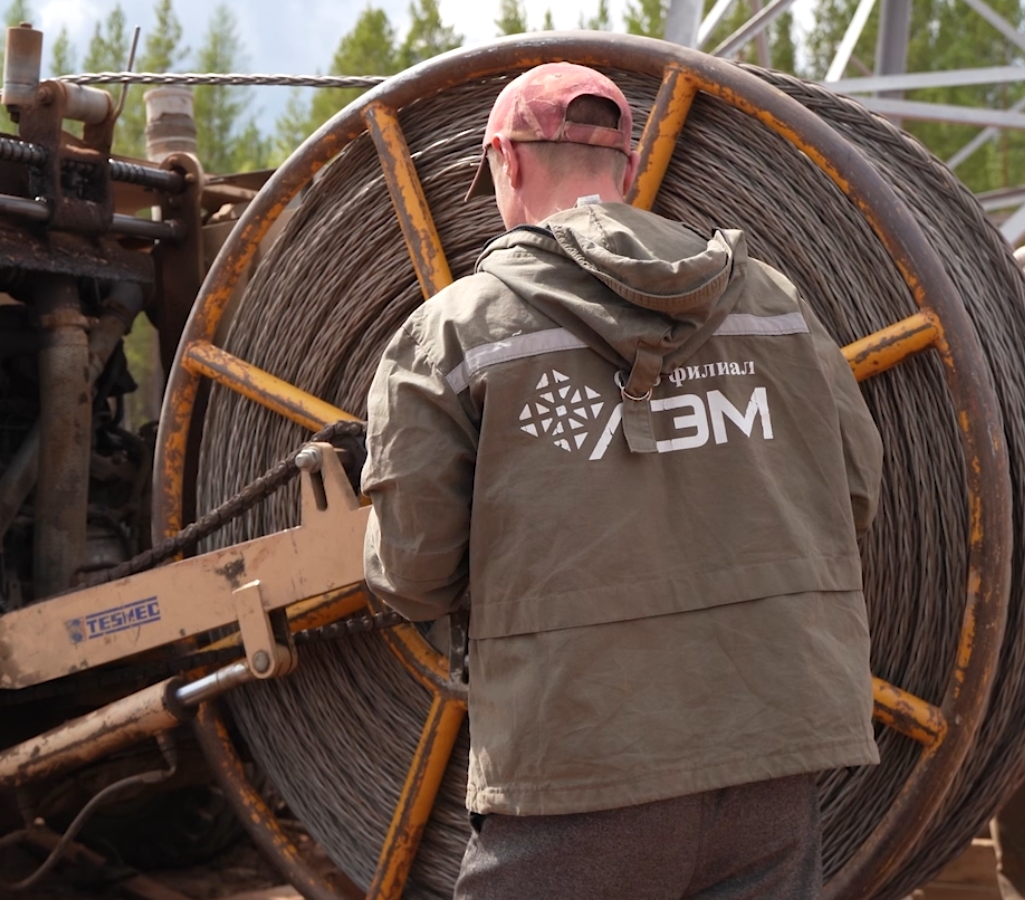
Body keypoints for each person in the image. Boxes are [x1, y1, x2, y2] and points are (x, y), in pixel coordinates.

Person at [361, 62, 883, 899]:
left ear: (508, 160)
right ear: (629, 169)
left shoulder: (455, 334)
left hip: (575, 768)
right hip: (772, 760)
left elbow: (412, 575)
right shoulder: (777, 303)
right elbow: (853, 492)